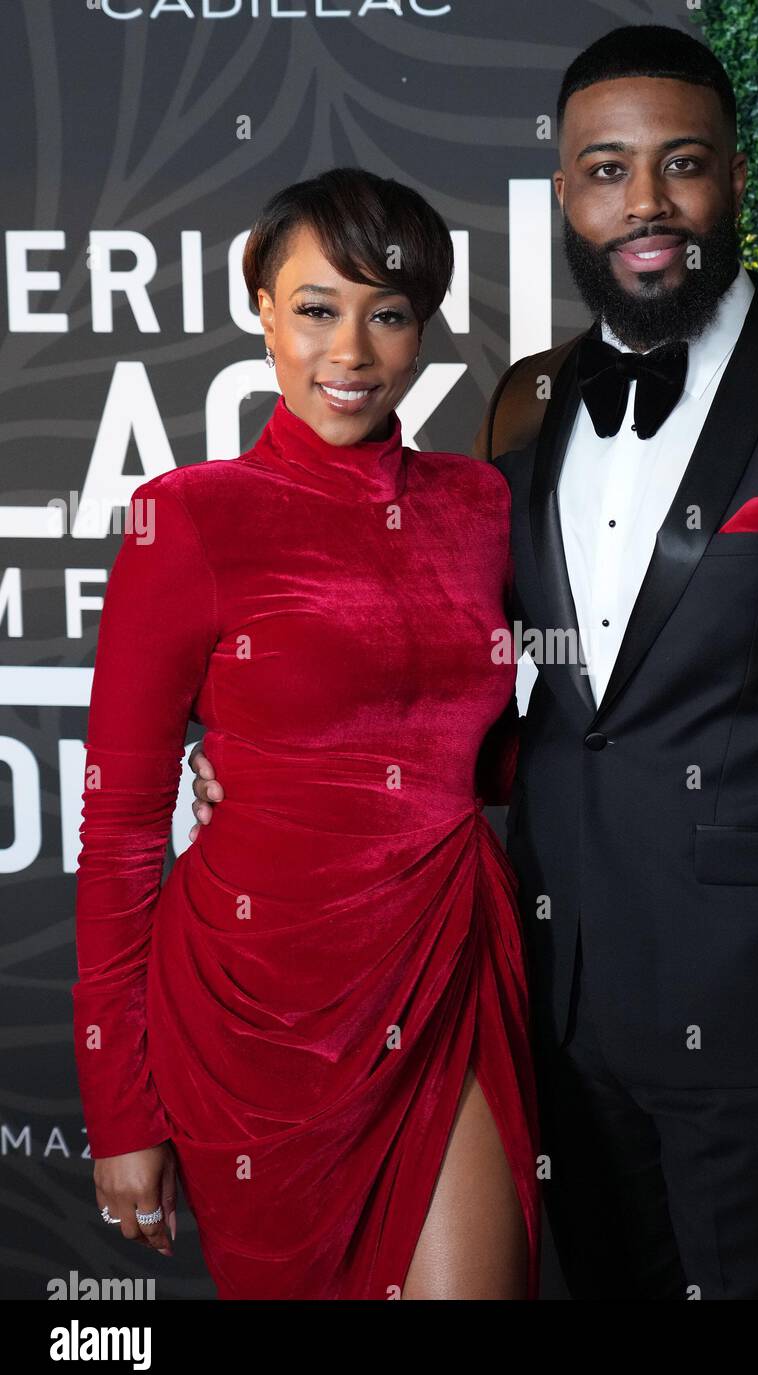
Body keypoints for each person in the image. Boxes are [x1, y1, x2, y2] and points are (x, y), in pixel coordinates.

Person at [191, 26, 758, 1299]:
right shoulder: (524, 408)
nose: (646, 202)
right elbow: (479, 688)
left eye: (680, 165)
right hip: (552, 1006)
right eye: (606, 169)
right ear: (565, 194)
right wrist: (263, 765)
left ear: (732, 179)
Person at [72, 167, 540, 1300]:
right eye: (318, 308)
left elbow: (523, 742)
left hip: (442, 964)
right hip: (256, 1006)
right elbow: (123, 829)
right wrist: (119, 1111)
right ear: (262, 311)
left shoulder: (484, 505)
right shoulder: (187, 516)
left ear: (421, 328)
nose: (352, 351)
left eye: (387, 313)